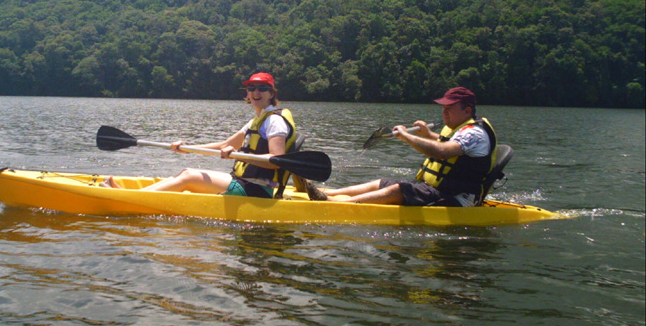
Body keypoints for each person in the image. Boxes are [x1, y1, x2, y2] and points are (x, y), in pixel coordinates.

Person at [103, 72, 299, 198]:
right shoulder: (256, 121)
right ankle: (138, 195)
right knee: (186, 171)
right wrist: (187, 149)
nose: (256, 92)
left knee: (189, 176)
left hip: (258, 190)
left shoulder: (274, 121)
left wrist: (236, 154)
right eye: (251, 88)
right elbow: (225, 144)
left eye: (262, 89)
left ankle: (130, 198)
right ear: (247, 93)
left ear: (271, 93)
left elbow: (276, 160)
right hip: (245, 182)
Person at [309, 87, 497, 206]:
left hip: (457, 198)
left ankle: (336, 203)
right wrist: (427, 134)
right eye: (443, 108)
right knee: (382, 183)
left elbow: (442, 152)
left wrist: (406, 136)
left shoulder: (474, 132)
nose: (444, 113)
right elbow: (448, 143)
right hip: (438, 190)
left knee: (400, 189)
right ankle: (328, 192)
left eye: (449, 109)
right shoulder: (461, 129)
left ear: (467, 111)